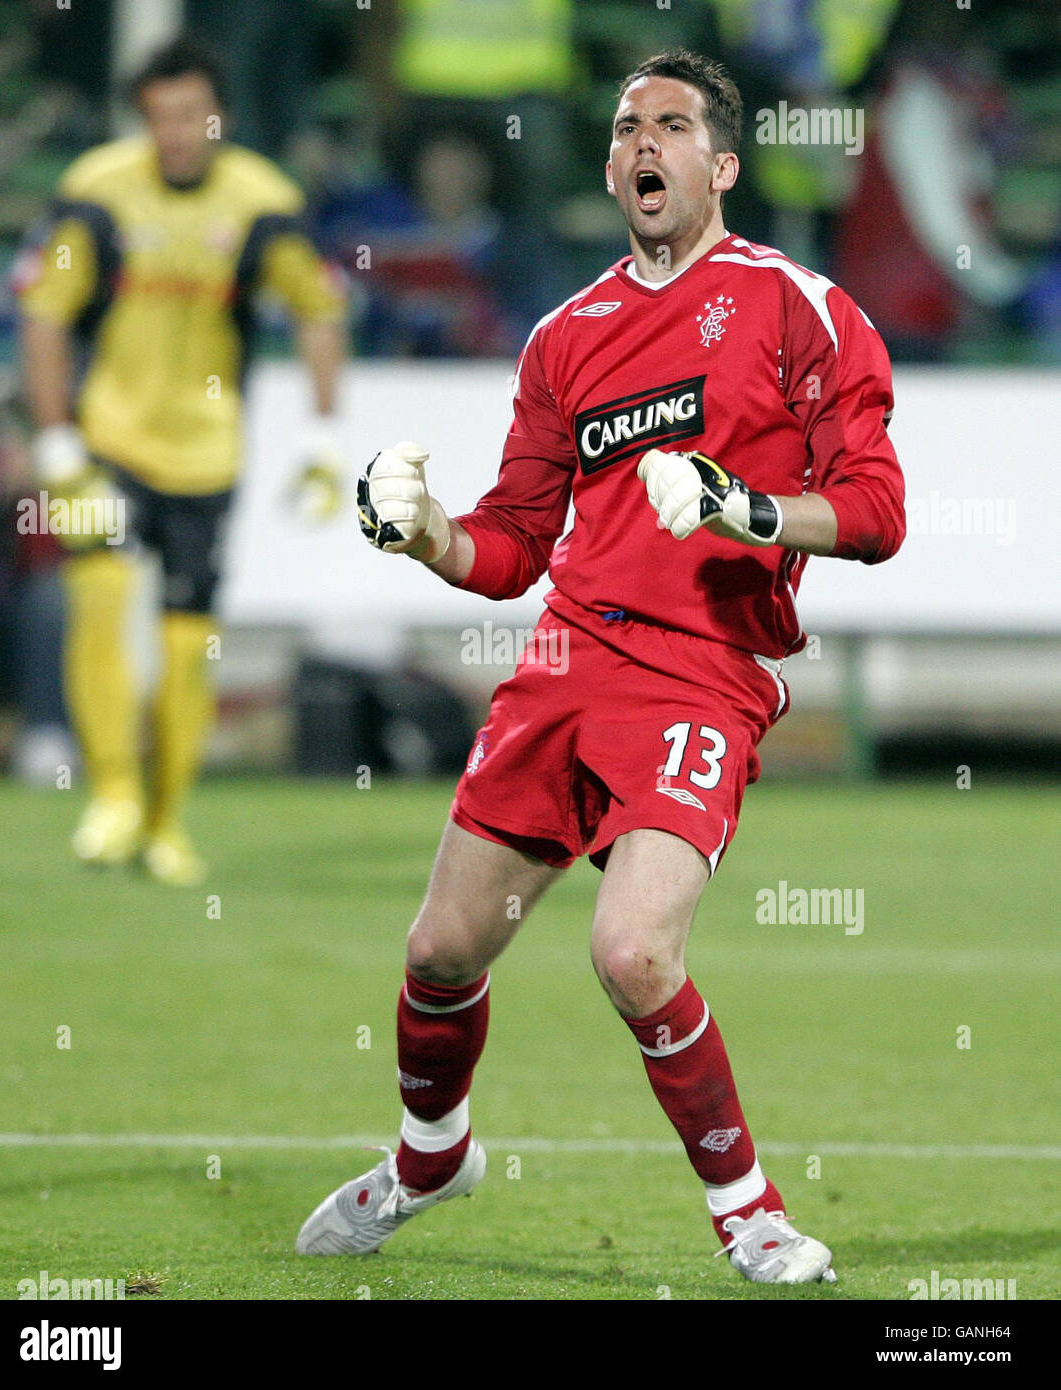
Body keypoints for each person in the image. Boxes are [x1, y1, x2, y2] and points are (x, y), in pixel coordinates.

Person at [299, 49, 905, 1284]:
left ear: (720, 165)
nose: (642, 143)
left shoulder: (802, 309)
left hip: (704, 671)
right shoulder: (565, 336)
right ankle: (429, 1155)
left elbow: (875, 511)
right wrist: (419, 532)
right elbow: (511, 546)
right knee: (437, 953)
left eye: (671, 125)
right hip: (565, 660)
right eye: (627, 125)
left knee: (632, 952)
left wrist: (746, 511)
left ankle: (750, 1213)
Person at [17, 36, 348, 885]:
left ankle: (166, 825)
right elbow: (44, 312)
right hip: (108, 442)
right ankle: (113, 797)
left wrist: (322, 435)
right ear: (143, 117)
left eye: (190, 113)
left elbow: (316, 307)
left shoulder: (262, 200)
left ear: (219, 116)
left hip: (206, 452)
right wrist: (55, 438)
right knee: (96, 593)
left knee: (189, 641)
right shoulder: (95, 192)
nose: (175, 131)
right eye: (160, 115)